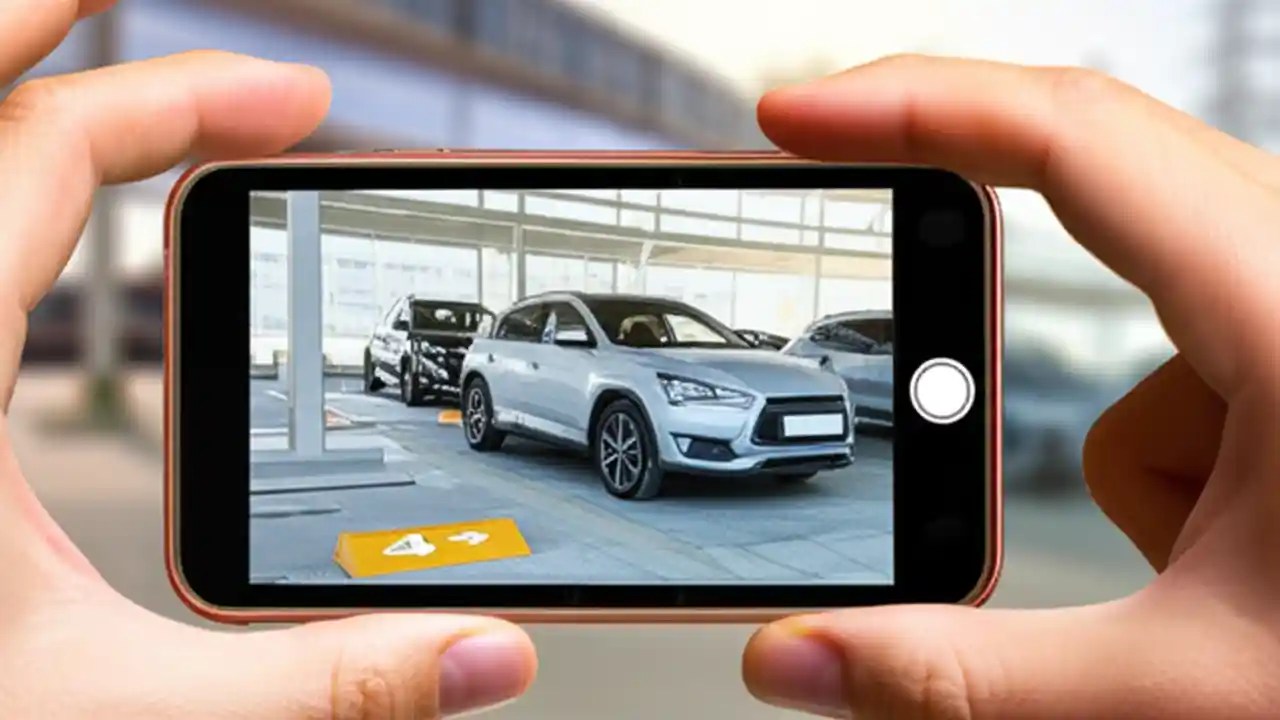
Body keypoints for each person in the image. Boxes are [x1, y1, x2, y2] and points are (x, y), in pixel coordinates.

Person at [1, 4, 1276, 720]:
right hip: (587, 391)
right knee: (626, 432)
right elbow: (626, 369)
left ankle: (771, 450)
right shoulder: (551, 339)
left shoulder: (726, 352)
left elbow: (739, 362)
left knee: (764, 420)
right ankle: (656, 456)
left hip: (749, 408)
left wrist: (779, 394)